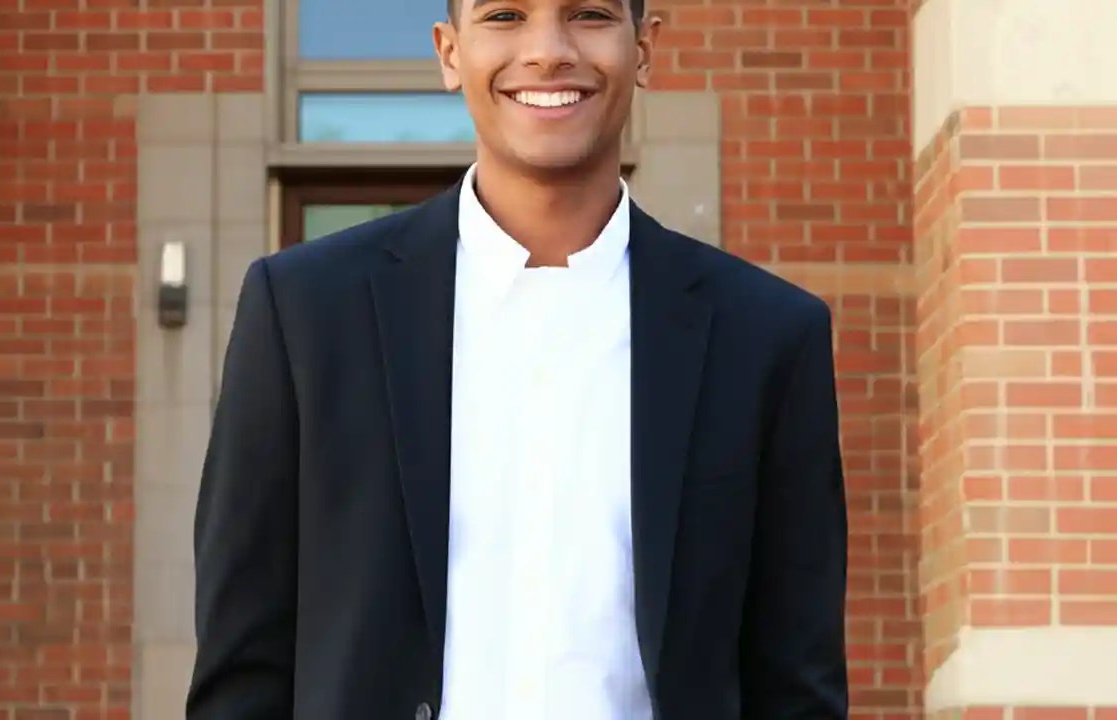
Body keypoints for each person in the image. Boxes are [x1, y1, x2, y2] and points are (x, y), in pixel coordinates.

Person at [185, 0, 849, 717]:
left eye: (588, 13)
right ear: (448, 52)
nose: (547, 51)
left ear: (645, 48)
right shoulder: (306, 313)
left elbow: (795, 681)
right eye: (506, 14)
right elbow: (243, 669)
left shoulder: (766, 337)